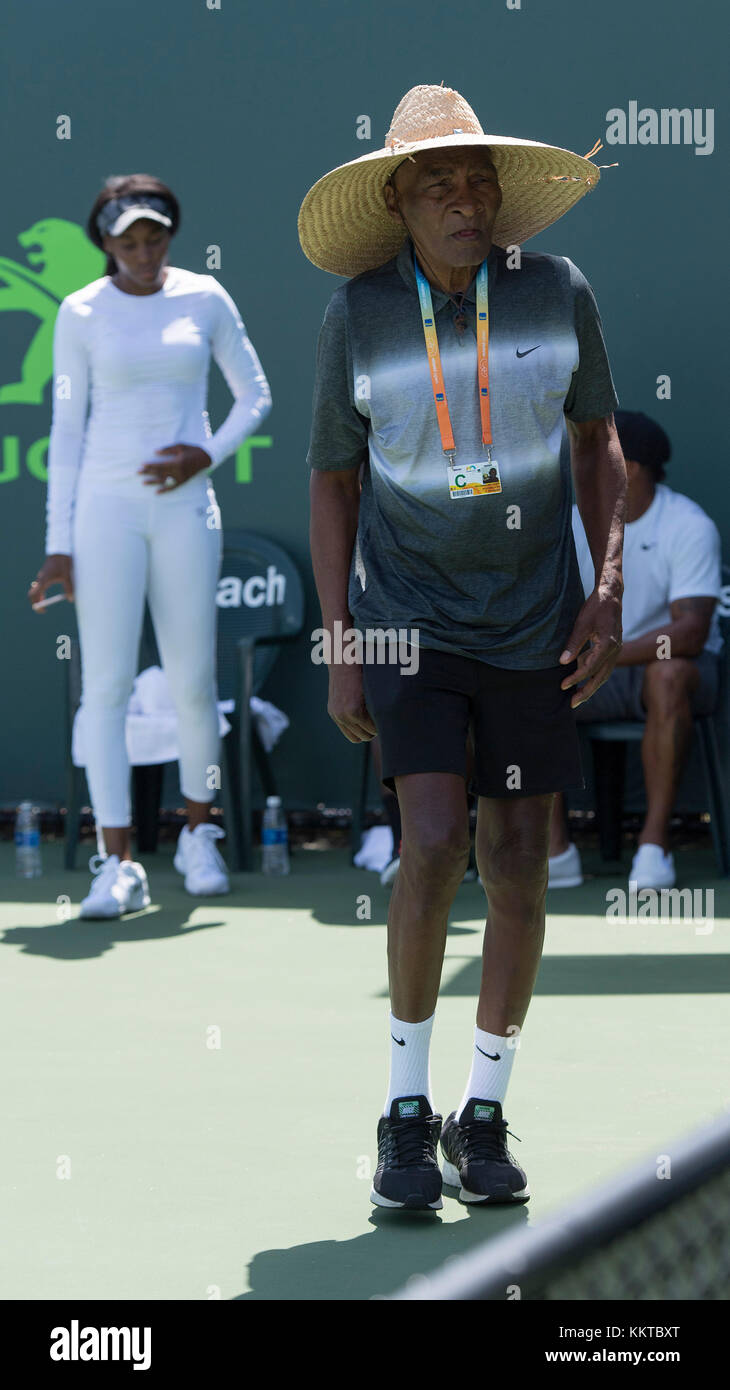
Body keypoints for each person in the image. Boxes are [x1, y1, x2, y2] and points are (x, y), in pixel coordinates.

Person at [301, 83, 625, 1209]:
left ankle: (482, 1115)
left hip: (535, 620)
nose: (465, 197)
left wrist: (605, 590)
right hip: (407, 618)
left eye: (478, 179)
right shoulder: (357, 312)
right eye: (439, 182)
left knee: (522, 860)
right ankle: (403, 1111)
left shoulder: (559, 292)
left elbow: (597, 444)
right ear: (398, 201)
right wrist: (343, 638)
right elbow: (333, 480)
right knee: (433, 837)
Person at [28, 174, 272, 918]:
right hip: (103, 514)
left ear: (171, 234)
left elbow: (255, 395)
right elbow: (66, 432)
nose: (142, 252)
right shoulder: (80, 313)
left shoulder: (205, 298)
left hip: (186, 511)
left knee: (193, 682)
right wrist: (58, 545)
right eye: (126, 240)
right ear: (104, 241)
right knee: (103, 688)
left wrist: (205, 454)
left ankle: (201, 835)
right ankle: (117, 862)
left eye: (154, 237)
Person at [549, 410, 723, 890]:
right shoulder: (567, 520)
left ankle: (653, 847)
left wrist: (603, 655)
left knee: (668, 674)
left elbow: (688, 632)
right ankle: (554, 851)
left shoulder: (687, 525)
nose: (580, 462)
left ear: (633, 468)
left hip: (669, 671)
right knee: (534, 683)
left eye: (596, 453)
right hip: (592, 671)